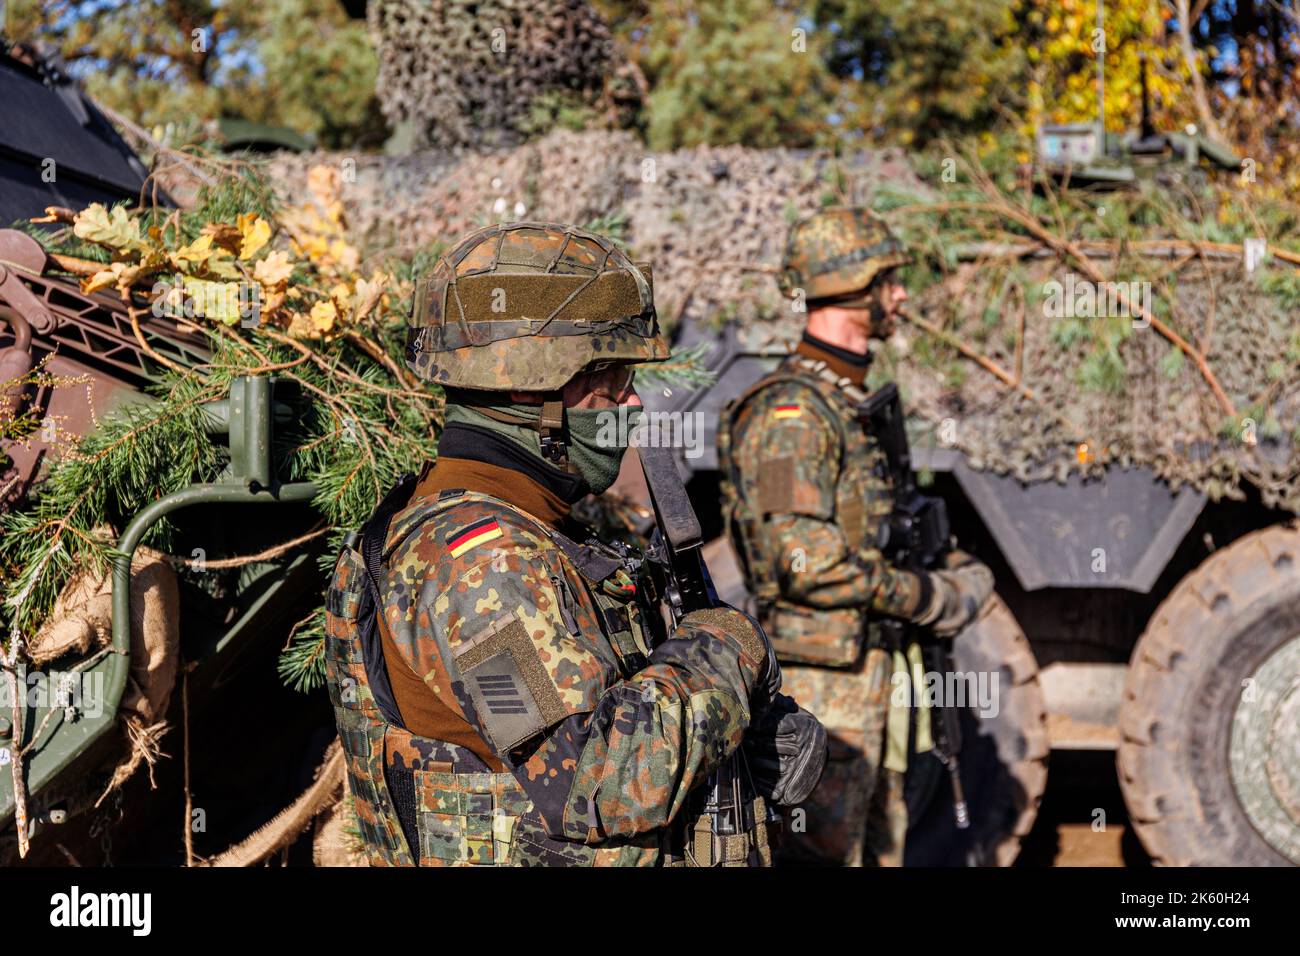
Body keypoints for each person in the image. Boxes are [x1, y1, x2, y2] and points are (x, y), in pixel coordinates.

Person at [323, 221, 823, 866]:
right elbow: (599, 777)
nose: (631, 402)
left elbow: (620, 704)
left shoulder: (541, 530)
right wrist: (728, 647)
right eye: (610, 377)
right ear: (530, 385)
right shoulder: (474, 565)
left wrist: (741, 729)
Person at [718, 207, 994, 866]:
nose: (901, 296)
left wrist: (942, 567)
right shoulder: (792, 415)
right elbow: (804, 564)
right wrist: (927, 595)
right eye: (889, 282)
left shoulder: (844, 403)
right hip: (821, 689)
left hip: (865, 675)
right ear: (852, 286)